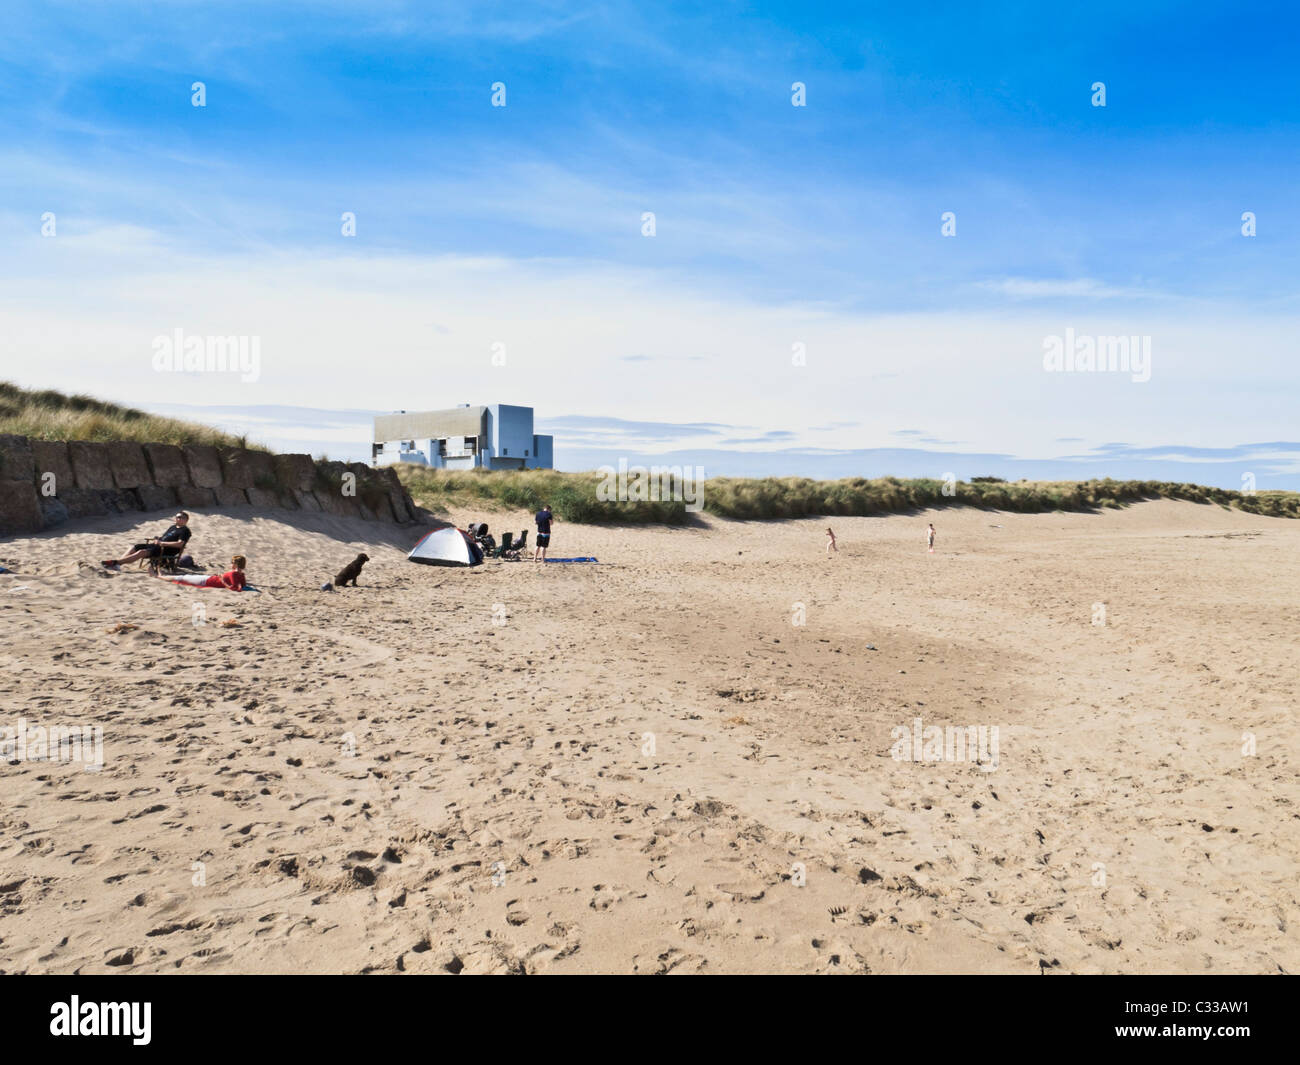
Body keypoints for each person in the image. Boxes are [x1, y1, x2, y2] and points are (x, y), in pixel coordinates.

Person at [102, 512, 192, 569]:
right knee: (135, 547)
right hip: (157, 545)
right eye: (177, 517)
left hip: (166, 550)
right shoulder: (173, 527)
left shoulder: (185, 530)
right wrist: (158, 539)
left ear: (186, 520)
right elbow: (166, 537)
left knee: (142, 552)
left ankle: (115, 562)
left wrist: (162, 543)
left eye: (181, 517)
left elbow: (180, 544)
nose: (178, 519)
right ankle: (118, 564)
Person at [162, 554, 247, 590]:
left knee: (182, 577)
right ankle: (159, 575)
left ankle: (158, 575)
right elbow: (243, 585)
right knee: (185, 577)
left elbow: (233, 588)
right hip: (210, 579)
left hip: (206, 581)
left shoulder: (233, 573)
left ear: (236, 564)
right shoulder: (241, 574)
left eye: (232, 563)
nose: (231, 564)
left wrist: (222, 579)